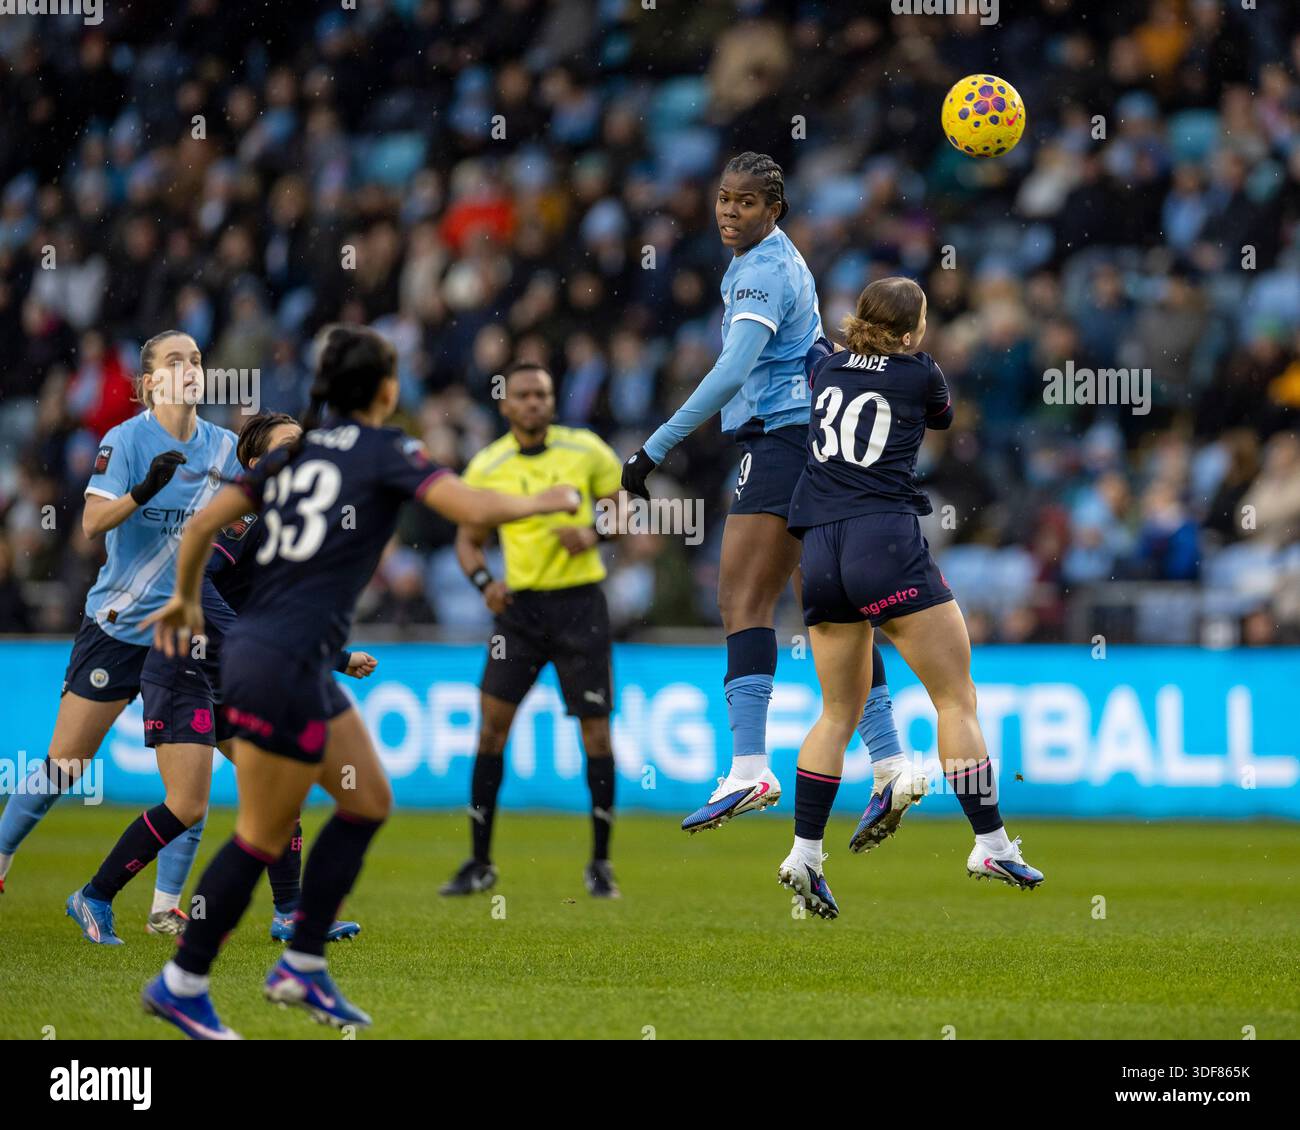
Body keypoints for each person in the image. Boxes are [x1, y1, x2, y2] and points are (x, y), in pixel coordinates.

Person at [140, 325, 580, 1039]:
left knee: (366, 798)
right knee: (263, 829)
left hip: (270, 654)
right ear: (384, 390)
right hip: (283, 658)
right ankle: (186, 982)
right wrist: (547, 499)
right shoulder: (384, 449)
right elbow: (469, 507)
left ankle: (299, 964)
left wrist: (188, 598)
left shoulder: (295, 453)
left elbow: (198, 530)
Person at [620, 152, 916, 837]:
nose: (729, 211)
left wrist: (655, 446)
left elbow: (733, 369)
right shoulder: (775, 259)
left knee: (741, 600)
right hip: (813, 440)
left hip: (783, 441)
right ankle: (892, 763)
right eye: (723, 198)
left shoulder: (761, 272)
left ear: (773, 210)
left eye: (746, 202)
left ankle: (749, 765)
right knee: (835, 611)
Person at [778, 277, 1045, 918]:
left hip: (818, 548)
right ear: (912, 330)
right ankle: (990, 841)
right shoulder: (921, 372)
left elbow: (825, 363)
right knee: (955, 697)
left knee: (837, 713)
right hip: (882, 539)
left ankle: (804, 854)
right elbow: (943, 417)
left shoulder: (828, 367)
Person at [0, 332, 239, 925]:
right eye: (176, 361)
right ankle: (2, 853)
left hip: (181, 634)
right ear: (150, 382)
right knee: (67, 763)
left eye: (197, 360)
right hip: (117, 626)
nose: (191, 369)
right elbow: (90, 523)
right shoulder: (126, 440)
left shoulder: (225, 448)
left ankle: (165, 908)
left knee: (194, 774)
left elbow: (249, 517)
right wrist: (142, 491)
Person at [145, 411, 375, 944]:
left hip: (235, 672)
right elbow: (198, 579)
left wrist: (337, 658)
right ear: (255, 461)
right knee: (192, 801)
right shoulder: (242, 513)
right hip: (196, 670)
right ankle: (102, 898)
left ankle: (287, 913)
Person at [440, 362, 623, 899]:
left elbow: (625, 507)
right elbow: (468, 540)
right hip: (518, 613)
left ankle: (600, 864)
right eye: (523, 395)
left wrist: (593, 532)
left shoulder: (586, 449)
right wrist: (483, 583)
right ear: (505, 404)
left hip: (580, 607)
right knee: (491, 729)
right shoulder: (487, 465)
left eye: (542, 393)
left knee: (595, 731)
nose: (534, 403)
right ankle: (478, 863)